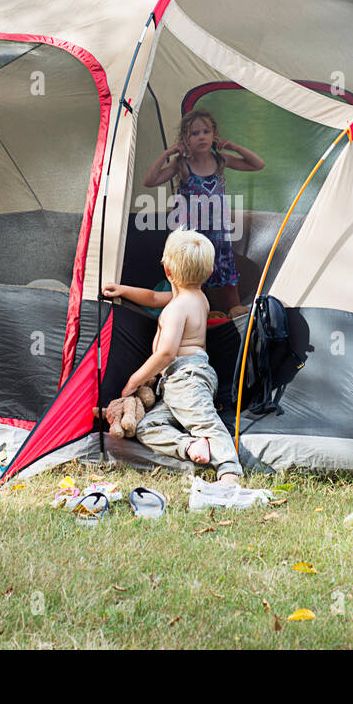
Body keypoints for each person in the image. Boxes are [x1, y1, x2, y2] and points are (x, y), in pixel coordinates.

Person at [102, 229, 242, 482]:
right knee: (147, 428)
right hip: (180, 383)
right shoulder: (196, 297)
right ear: (209, 273)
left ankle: (229, 469)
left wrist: (135, 380)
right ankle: (190, 446)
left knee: (207, 424)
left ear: (167, 271)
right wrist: (123, 289)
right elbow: (153, 297)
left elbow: (166, 352)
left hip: (186, 378)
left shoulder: (177, 308)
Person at [142, 109, 264, 314]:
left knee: (228, 280)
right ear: (185, 140)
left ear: (214, 135)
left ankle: (233, 317)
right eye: (194, 133)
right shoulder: (182, 165)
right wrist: (166, 154)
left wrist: (234, 146)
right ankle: (195, 316)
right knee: (190, 278)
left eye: (206, 132)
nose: (201, 137)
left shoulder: (221, 160)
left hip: (218, 233)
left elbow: (257, 164)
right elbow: (149, 181)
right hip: (191, 236)